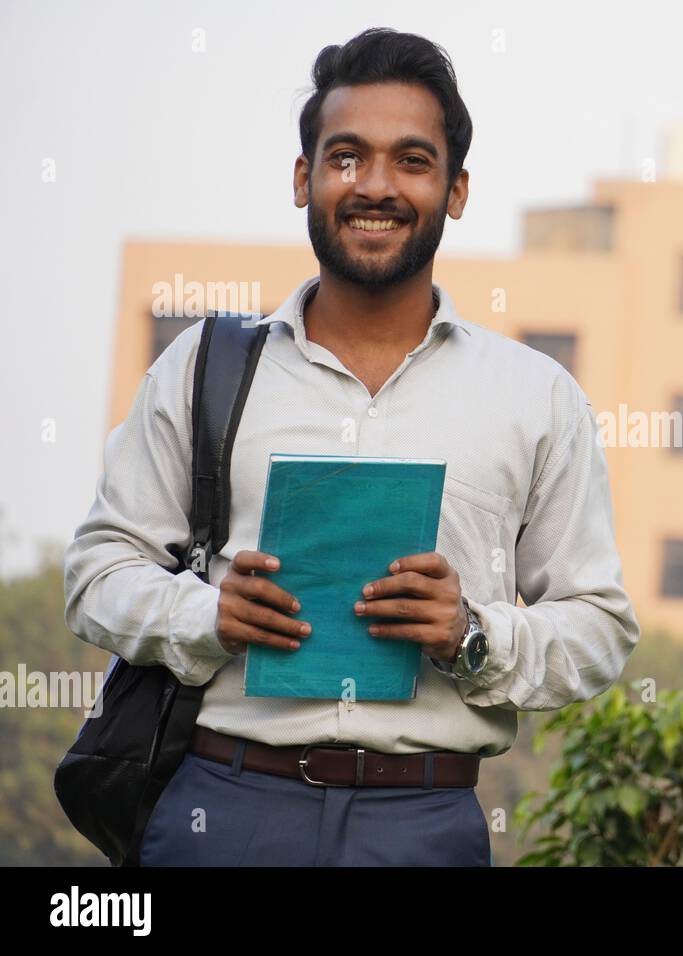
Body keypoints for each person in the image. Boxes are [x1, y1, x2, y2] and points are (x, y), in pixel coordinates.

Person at [62, 27, 640, 867]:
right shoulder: (205, 367)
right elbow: (95, 575)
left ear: (456, 189)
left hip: (424, 821)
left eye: (411, 160)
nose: (375, 186)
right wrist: (207, 615)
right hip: (223, 807)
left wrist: (473, 636)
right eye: (345, 157)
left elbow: (600, 627)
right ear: (304, 179)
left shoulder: (534, 396)